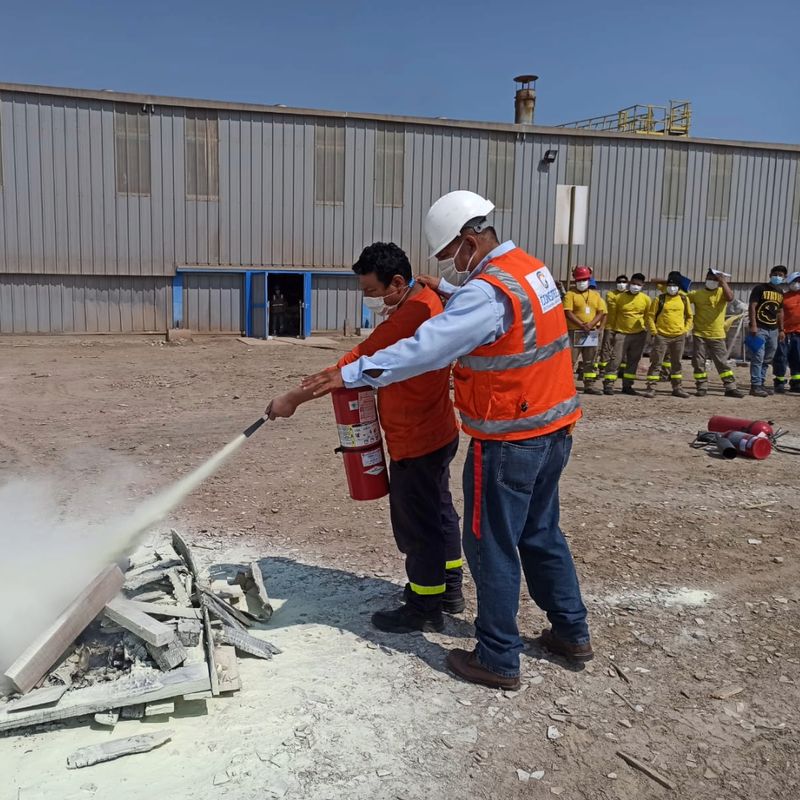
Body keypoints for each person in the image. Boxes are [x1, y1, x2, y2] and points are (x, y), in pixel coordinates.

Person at [302, 190, 592, 691]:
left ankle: (498, 656)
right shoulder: (531, 270)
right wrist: (452, 291)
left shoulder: (485, 292)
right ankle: (571, 631)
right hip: (553, 428)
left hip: (507, 439)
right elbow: (497, 311)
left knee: (490, 545)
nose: (451, 265)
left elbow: (428, 347)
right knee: (541, 532)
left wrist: (356, 375)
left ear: (470, 239)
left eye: (451, 254)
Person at [266, 243, 464, 633]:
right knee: (440, 512)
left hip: (416, 439)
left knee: (417, 525)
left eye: (372, 292)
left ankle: (424, 605)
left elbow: (352, 363)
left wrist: (292, 398)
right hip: (439, 430)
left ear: (396, 282)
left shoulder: (410, 316)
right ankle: (449, 590)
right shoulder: (425, 300)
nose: (368, 299)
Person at [687, 270, 744, 398]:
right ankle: (701, 386)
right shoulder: (696, 294)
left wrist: (723, 282)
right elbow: (682, 300)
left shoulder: (722, 292)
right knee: (698, 362)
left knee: (722, 362)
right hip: (699, 333)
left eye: (715, 279)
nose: (712, 281)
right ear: (705, 279)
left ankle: (730, 387)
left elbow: (730, 298)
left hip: (717, 334)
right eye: (709, 278)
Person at [643, 272, 693, 398]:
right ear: (666, 286)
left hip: (679, 336)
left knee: (677, 363)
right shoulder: (659, 299)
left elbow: (689, 316)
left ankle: (677, 388)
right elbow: (650, 317)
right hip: (661, 336)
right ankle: (651, 388)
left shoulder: (684, 299)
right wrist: (654, 332)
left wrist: (686, 330)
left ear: (679, 287)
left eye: (674, 285)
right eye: (669, 285)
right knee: (656, 363)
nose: (672, 287)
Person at [601, 273, 650, 395]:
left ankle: (627, 385)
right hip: (621, 334)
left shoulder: (646, 299)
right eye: (633, 283)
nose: (635, 286)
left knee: (633, 361)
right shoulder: (619, 298)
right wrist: (611, 332)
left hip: (639, 335)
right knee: (615, 360)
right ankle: (608, 384)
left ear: (643, 285)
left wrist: (648, 333)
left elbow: (648, 317)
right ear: (629, 283)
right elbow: (612, 316)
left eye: (638, 284)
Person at [562, 265, 607, 395]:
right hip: (574, 332)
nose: (582, 283)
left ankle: (589, 385)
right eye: (579, 280)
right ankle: (566, 386)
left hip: (590, 333)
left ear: (589, 279)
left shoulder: (595, 295)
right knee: (570, 360)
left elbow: (601, 312)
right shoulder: (570, 294)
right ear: (575, 281)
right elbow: (568, 312)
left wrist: (591, 324)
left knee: (590, 360)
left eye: (584, 280)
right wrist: (582, 325)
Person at [747, 265, 786, 397]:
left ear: (784, 277)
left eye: (781, 275)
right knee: (757, 356)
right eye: (775, 274)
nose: (778, 276)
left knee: (768, 358)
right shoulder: (760, 288)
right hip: (759, 328)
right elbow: (752, 306)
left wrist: (781, 329)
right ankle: (755, 385)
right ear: (770, 274)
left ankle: (761, 383)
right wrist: (753, 325)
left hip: (774, 330)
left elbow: (780, 311)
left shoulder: (780, 292)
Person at [773, 271, 800, 393]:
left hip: (798, 333)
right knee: (781, 357)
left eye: (799, 282)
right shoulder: (783, 297)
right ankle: (779, 381)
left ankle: (796, 382)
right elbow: (778, 315)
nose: (797, 284)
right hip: (785, 332)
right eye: (795, 281)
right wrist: (780, 330)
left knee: (797, 357)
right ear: (789, 282)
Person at [598, 274, 628, 377]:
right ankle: (603, 369)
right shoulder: (610, 294)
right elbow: (616, 305)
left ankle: (622, 370)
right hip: (610, 326)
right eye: (619, 282)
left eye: (624, 282)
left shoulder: (629, 295)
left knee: (623, 349)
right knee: (606, 348)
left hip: (623, 327)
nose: (621, 284)